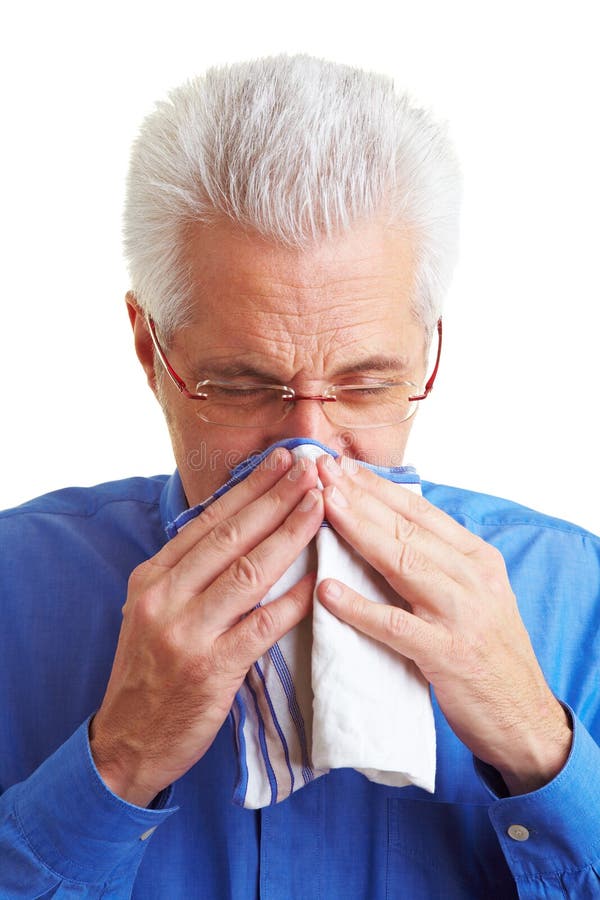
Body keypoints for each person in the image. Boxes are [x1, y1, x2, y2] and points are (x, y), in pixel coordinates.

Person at [1, 54, 598, 899]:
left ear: (426, 348)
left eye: (365, 382)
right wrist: (119, 759)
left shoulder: (580, 597)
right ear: (150, 348)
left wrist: (542, 745)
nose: (309, 451)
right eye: (243, 385)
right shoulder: (11, 589)